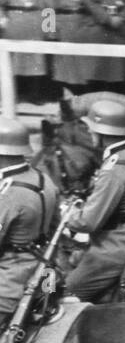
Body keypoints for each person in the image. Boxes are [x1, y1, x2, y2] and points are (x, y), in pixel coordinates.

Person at [65, 100, 125, 303]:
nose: (90, 134)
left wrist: (67, 215)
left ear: (101, 132)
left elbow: (88, 222)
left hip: (112, 249)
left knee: (57, 294)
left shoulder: (113, 170)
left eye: (91, 130)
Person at [0, 116, 58, 323]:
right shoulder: (43, 179)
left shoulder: (8, 193)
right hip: (46, 272)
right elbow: (55, 226)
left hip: (12, 282)